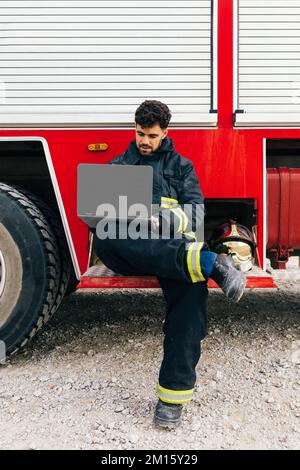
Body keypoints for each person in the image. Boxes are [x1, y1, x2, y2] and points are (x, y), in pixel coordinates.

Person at [94, 100, 246, 429]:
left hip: (172, 252)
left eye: (150, 135)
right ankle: (210, 263)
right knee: (105, 237)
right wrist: (120, 217)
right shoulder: (120, 165)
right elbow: (98, 219)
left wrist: (156, 218)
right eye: (139, 134)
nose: (144, 141)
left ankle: (172, 397)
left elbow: (196, 214)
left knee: (191, 298)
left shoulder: (181, 167)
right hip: (131, 249)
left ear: (165, 132)